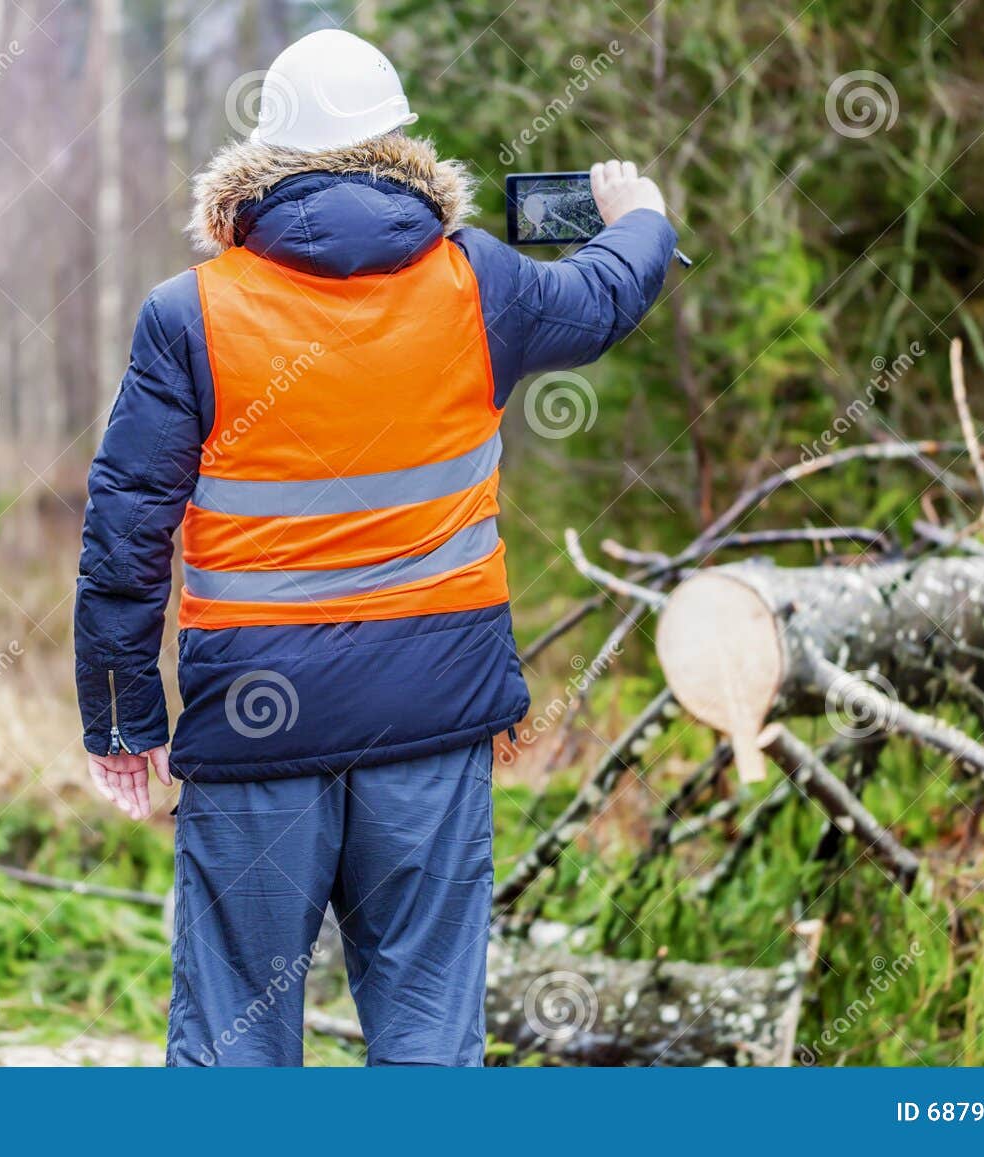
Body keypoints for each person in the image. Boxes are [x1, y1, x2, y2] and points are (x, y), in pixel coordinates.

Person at [74, 27, 676, 1066]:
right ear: (402, 146)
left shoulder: (192, 313)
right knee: (427, 1038)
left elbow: (125, 527)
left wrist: (125, 716)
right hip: (433, 724)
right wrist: (642, 218)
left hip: (257, 725)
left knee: (233, 1042)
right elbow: (604, 294)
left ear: (259, 163)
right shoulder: (477, 283)